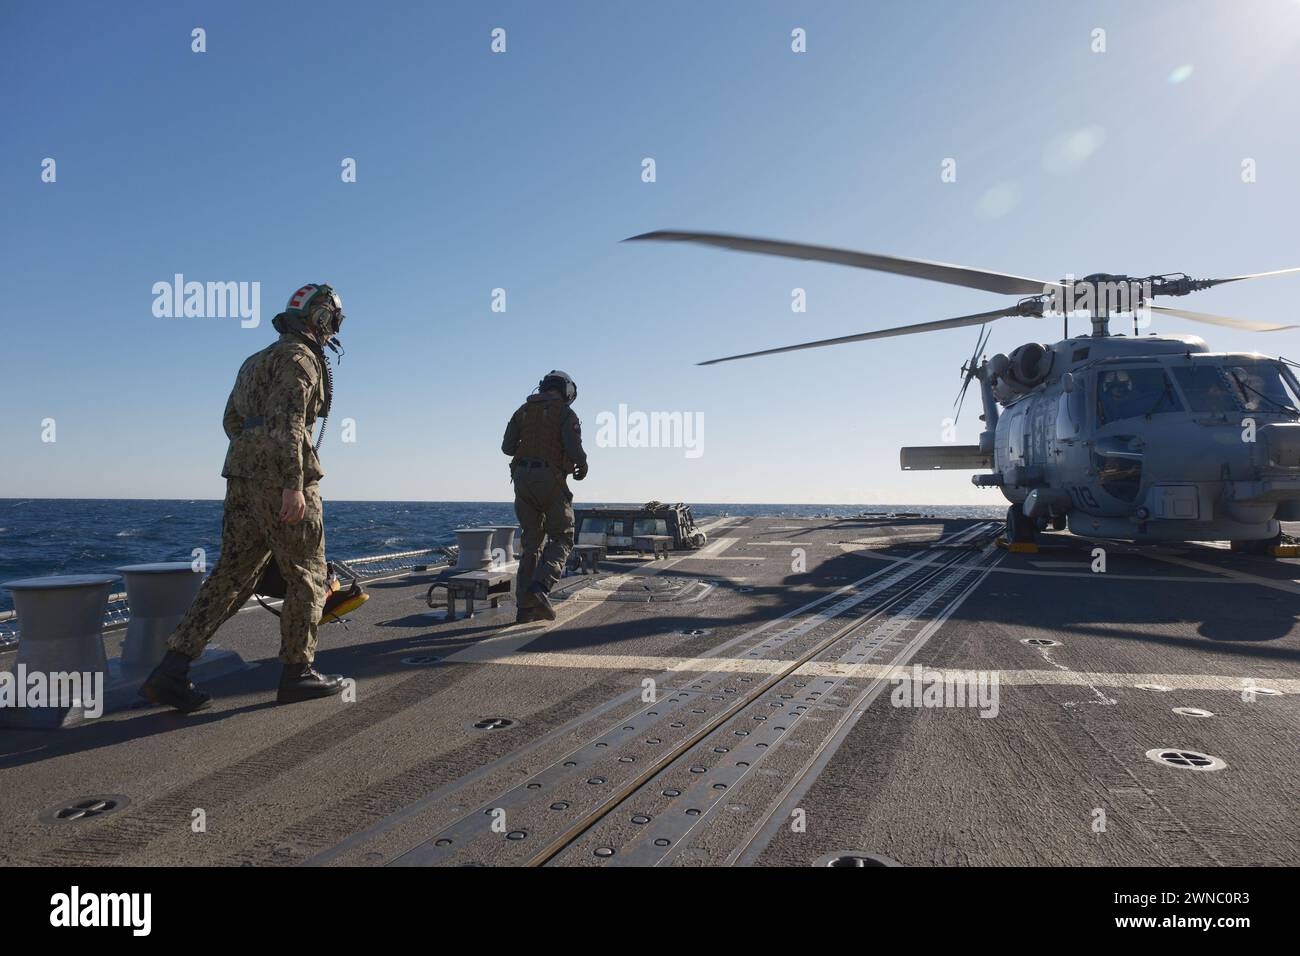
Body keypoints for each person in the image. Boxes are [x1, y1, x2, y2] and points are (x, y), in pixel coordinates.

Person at [141, 284, 350, 712]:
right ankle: (298, 673)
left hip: (241, 476)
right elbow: (292, 421)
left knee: (233, 574)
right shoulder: (301, 360)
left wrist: (252, 455)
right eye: (334, 323)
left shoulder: (255, 361)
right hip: (284, 477)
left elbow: (231, 419)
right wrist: (291, 482)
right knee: (308, 574)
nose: (334, 333)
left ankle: (171, 669)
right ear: (321, 320)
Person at [501, 370, 588, 623]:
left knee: (531, 543)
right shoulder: (565, 413)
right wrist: (582, 465)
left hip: (521, 479)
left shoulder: (522, 411)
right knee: (563, 535)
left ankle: (525, 609)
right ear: (567, 391)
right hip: (549, 480)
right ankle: (541, 586)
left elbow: (507, 448)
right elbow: (574, 448)